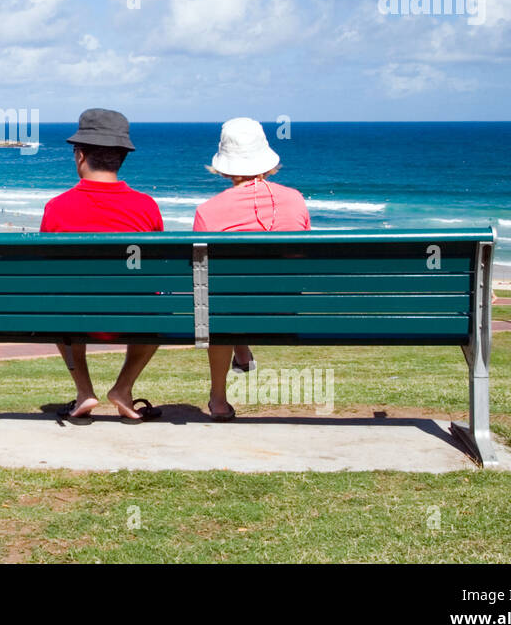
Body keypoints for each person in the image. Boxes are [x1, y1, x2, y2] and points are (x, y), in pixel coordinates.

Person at [40, 109, 164, 422]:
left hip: (76, 320)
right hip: (134, 319)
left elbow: (48, 270)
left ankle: (85, 391)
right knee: (159, 305)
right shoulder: (146, 207)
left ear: (80, 155)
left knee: (61, 304)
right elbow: (157, 269)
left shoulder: (57, 208)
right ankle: (122, 388)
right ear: (122, 157)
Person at [194, 117, 310, 421]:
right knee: (235, 294)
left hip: (231, 311)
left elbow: (199, 274)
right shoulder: (295, 200)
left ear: (224, 165)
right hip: (287, 309)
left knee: (220, 300)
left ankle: (218, 399)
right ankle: (242, 353)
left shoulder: (207, 212)